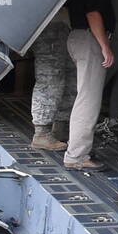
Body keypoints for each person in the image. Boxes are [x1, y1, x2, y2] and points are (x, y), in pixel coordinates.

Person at [62, 0, 118, 170]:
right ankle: (76, 156)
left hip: (78, 36)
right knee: (89, 99)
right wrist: (105, 45)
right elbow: (93, 13)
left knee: (84, 96)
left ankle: (77, 147)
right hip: (89, 38)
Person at [28, 8, 76, 150]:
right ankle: (41, 133)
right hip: (50, 22)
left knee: (69, 77)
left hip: (63, 23)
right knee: (50, 79)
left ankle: (59, 129)